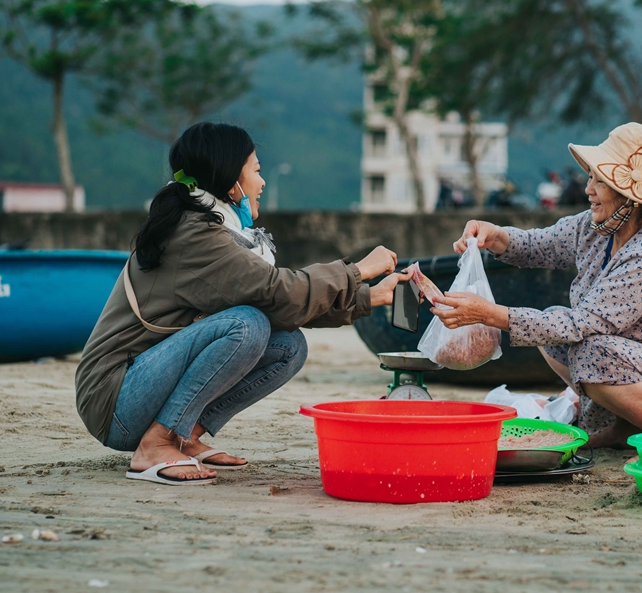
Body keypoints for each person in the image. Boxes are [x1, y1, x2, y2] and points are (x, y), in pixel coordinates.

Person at [75, 122, 408, 485]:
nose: (261, 182)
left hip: (143, 386)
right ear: (232, 181)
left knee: (287, 345)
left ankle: (184, 436)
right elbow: (277, 290)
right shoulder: (193, 233)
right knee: (246, 325)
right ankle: (156, 444)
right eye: (257, 171)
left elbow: (279, 303)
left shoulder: (210, 227)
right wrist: (357, 270)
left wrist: (368, 296)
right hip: (114, 400)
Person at [431, 123, 642, 448]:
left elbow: (582, 324)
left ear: (630, 197)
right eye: (591, 177)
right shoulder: (595, 227)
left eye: (600, 181)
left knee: (591, 348)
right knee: (553, 330)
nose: (589, 189)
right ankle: (625, 428)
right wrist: (495, 235)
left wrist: (490, 315)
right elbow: (539, 245)